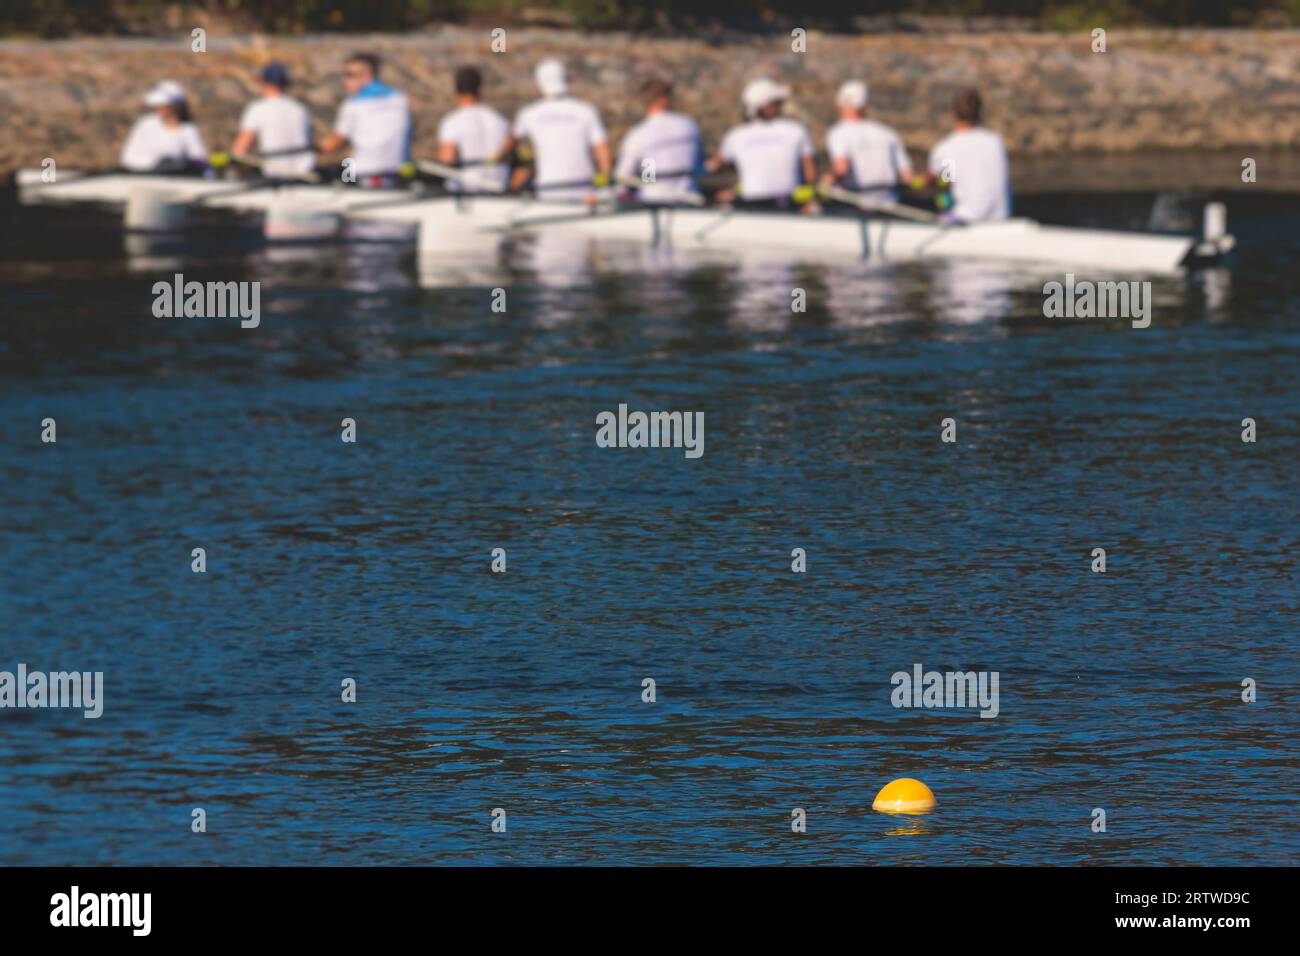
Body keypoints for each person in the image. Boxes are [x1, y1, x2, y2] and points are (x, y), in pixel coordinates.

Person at [495, 59, 611, 203]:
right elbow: (602, 149)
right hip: (584, 193)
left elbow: (509, 143)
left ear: (539, 85)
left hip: (548, 193)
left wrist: (494, 159)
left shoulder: (529, 113)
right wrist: (605, 187)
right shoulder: (587, 111)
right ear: (565, 81)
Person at [708, 78, 815, 210]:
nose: (781, 106)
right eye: (777, 103)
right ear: (767, 106)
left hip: (751, 206)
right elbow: (810, 174)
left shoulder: (736, 135)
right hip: (789, 205)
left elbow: (712, 167)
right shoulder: (796, 130)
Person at [318, 52, 412, 187]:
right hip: (400, 172)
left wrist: (315, 147)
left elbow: (332, 145)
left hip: (364, 174)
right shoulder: (400, 98)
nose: (345, 81)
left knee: (338, 167)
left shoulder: (353, 104)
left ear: (367, 76)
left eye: (350, 75)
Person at [614, 76, 702, 205]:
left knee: (648, 166)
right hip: (690, 199)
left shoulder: (639, 134)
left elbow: (622, 179)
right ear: (666, 99)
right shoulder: (690, 125)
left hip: (653, 202)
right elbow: (699, 161)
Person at [926, 89, 1011, 222]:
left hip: (966, 219)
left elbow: (944, 182)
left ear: (953, 112)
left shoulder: (946, 149)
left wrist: (924, 181)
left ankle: (944, 218)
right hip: (1001, 219)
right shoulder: (995, 141)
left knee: (942, 194)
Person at [822, 80, 913, 201]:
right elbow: (908, 176)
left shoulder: (838, 132)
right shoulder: (888, 132)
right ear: (866, 105)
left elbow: (841, 169)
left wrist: (827, 181)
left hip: (856, 205)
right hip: (891, 203)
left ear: (841, 103)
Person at [230, 62, 315, 180]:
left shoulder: (257, 108)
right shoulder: (300, 109)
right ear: (285, 84)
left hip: (275, 176)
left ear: (263, 82)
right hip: (306, 174)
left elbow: (239, 150)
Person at [436, 66, 510, 193]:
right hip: (499, 192)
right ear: (480, 89)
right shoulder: (500, 120)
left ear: (455, 90)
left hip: (466, 196)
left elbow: (446, 160)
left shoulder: (453, 121)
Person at [120, 81, 207, 172]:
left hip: (176, 178)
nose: (157, 108)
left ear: (176, 106)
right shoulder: (145, 124)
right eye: (156, 105)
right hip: (145, 177)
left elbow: (199, 159)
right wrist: (156, 163)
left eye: (162, 104)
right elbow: (127, 158)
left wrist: (184, 165)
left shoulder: (188, 129)